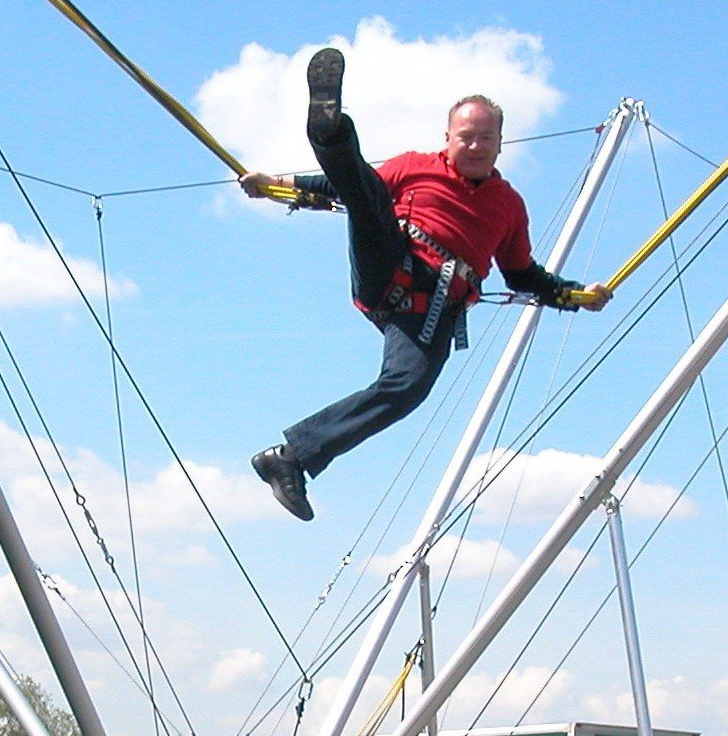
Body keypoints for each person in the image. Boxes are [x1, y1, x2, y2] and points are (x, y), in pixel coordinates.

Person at [244, 48, 608, 520]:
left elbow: (522, 275)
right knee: (369, 196)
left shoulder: (509, 206)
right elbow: (346, 187)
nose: (475, 146)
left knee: (407, 388)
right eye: (466, 137)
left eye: (485, 138)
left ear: (500, 144)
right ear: (448, 138)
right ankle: (330, 130)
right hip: (390, 261)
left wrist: (576, 296)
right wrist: (275, 184)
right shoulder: (417, 165)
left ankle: (291, 458)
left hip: (432, 312)